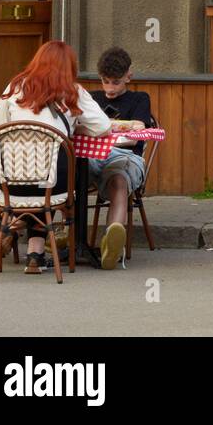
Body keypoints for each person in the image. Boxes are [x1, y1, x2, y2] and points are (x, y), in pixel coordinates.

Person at [0, 41, 112, 274]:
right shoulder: (73, 91)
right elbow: (104, 127)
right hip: (52, 184)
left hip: (12, 183)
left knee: (39, 181)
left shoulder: (15, 86)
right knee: (50, 181)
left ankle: (25, 237)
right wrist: (74, 128)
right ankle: (33, 250)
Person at [88, 47, 157, 269]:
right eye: (105, 81)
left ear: (129, 76)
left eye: (115, 82)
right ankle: (65, 234)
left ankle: (112, 241)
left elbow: (135, 136)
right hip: (91, 157)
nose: (109, 89)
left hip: (125, 157)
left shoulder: (139, 99)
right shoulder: (92, 98)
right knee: (68, 170)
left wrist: (103, 130)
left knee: (119, 179)